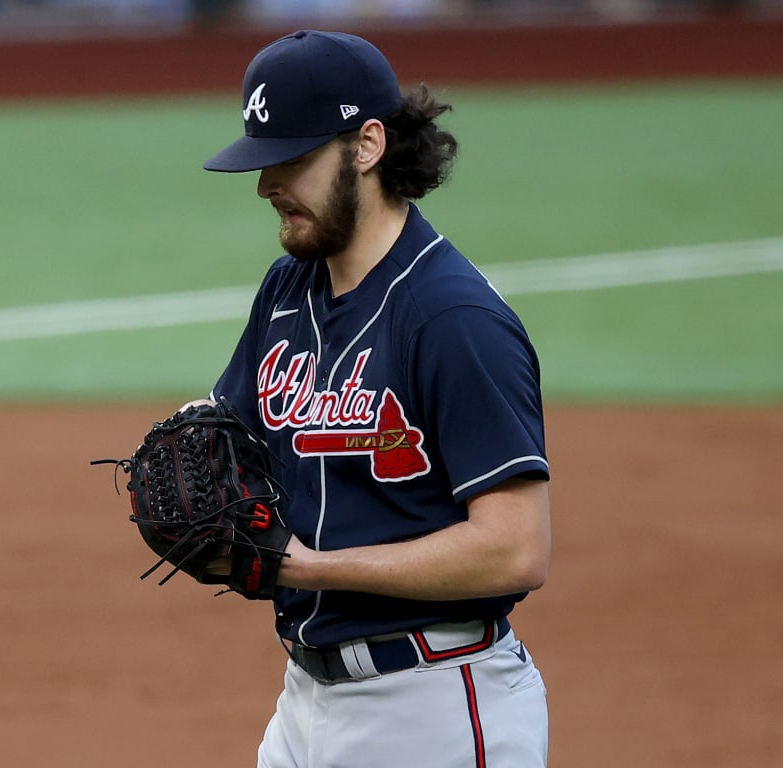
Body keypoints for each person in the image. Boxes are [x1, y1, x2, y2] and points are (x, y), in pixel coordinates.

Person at [196, 30, 552, 767]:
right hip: (304, 704)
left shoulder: (453, 319)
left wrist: (301, 566)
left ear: (367, 146)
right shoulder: (288, 288)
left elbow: (515, 550)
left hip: (435, 707)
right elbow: (224, 438)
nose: (266, 185)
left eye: (291, 159)